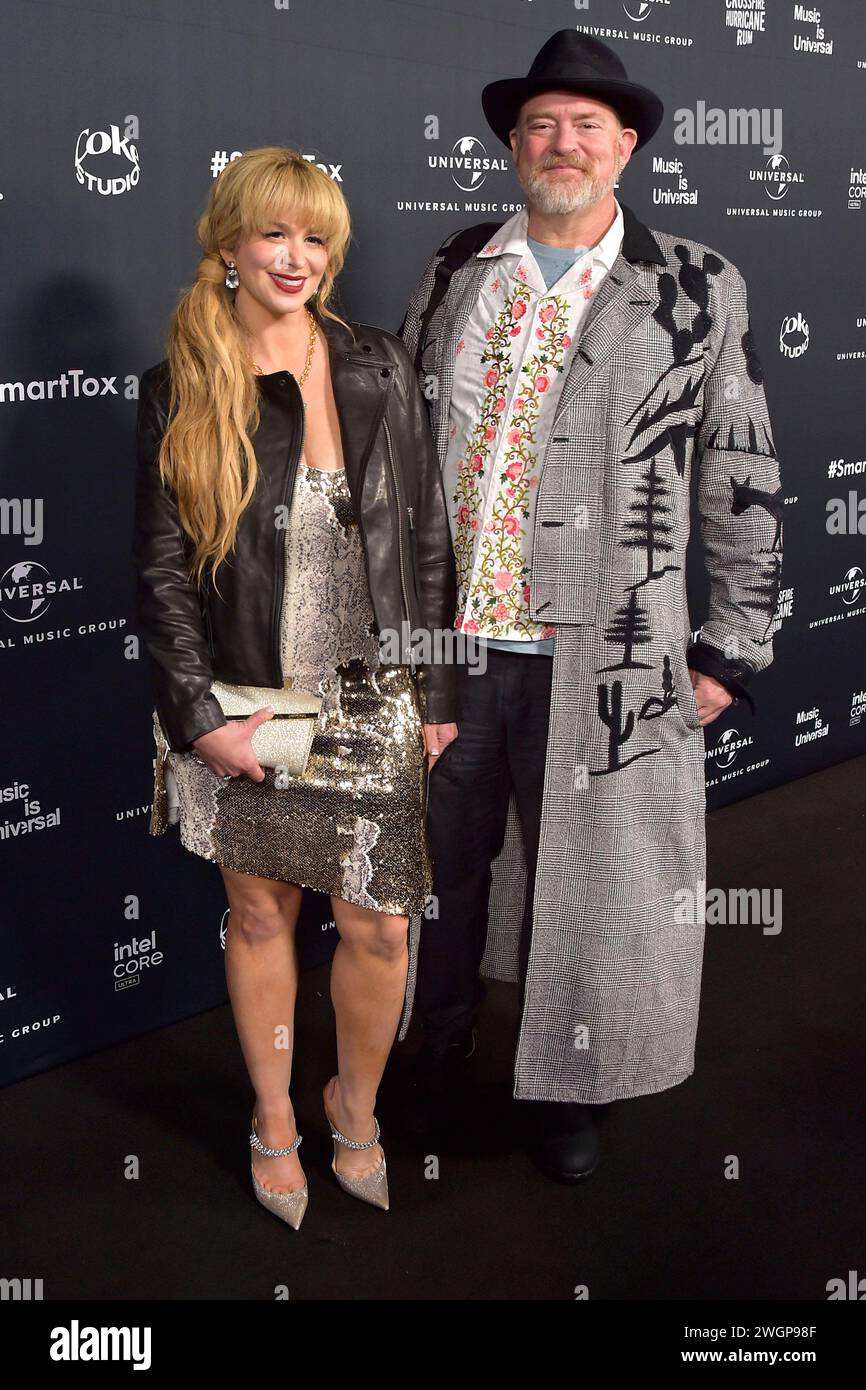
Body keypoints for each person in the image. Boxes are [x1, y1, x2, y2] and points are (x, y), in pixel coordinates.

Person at [399, 32, 785, 1180]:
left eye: (583, 126)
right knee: (441, 874)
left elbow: (739, 464)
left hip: (611, 648)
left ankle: (573, 1082)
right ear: (513, 147)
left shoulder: (696, 284)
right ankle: (430, 1061)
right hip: (454, 646)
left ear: (624, 146)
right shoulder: (456, 269)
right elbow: (406, 469)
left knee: (599, 884)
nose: (557, 144)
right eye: (537, 127)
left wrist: (733, 645)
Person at [132, 146, 458, 1227]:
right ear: (227, 245)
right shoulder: (183, 378)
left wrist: (436, 689)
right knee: (261, 921)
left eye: (315, 238)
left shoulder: (374, 364)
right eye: (273, 234)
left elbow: (423, 535)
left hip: (371, 697)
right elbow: (162, 570)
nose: (295, 257)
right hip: (248, 706)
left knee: (379, 932)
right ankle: (275, 1117)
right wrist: (196, 718)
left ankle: (351, 1108)